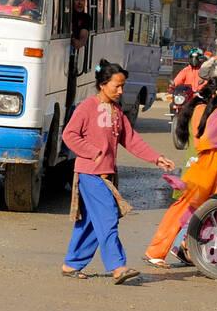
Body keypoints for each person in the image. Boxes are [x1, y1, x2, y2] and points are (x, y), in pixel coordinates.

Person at [61, 60, 174, 283]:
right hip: (90, 174)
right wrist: (92, 151)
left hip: (108, 175)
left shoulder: (117, 112)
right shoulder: (87, 107)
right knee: (108, 217)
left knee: (93, 223)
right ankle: (118, 266)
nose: (121, 91)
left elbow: (131, 140)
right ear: (103, 84)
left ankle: (71, 264)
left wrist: (156, 158)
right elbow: (69, 135)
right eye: (117, 86)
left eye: (123, 86)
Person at [145, 78, 217, 267]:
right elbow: (211, 142)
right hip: (212, 168)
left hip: (216, 167)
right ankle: (158, 250)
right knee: (195, 209)